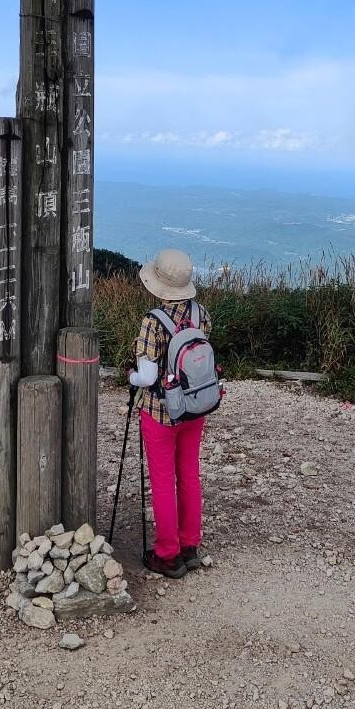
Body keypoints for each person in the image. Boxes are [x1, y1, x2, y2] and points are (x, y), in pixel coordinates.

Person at [129, 248, 213, 579]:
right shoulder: (200, 313)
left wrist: (132, 378)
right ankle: (190, 545)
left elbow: (148, 376)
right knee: (189, 473)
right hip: (194, 406)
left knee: (163, 480)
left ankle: (168, 554)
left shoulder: (153, 322)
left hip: (160, 411)